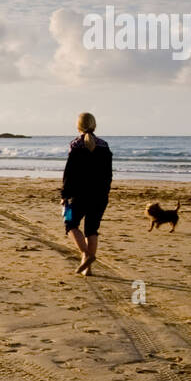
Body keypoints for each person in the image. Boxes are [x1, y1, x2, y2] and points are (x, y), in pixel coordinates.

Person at [60, 112, 112, 276]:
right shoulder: (104, 145)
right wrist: (105, 192)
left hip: (78, 194)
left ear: (79, 126)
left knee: (71, 224)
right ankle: (88, 268)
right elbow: (108, 174)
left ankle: (87, 255)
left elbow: (69, 173)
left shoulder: (75, 145)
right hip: (100, 195)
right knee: (92, 229)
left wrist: (64, 195)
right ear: (94, 125)